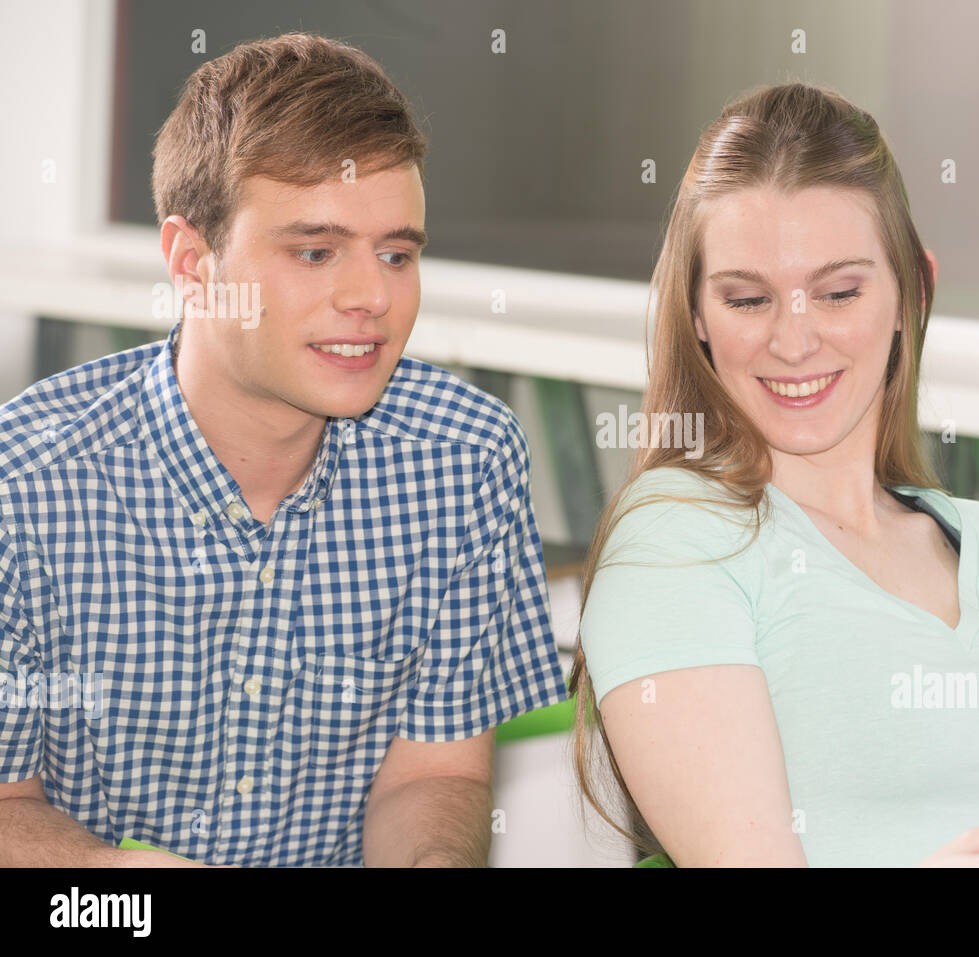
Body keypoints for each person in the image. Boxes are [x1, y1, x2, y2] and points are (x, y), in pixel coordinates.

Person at [0, 33, 567, 867]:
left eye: (397, 254)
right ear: (192, 262)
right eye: (314, 251)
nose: (371, 296)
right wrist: (115, 877)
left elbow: (431, 775)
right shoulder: (27, 481)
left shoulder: (467, 461)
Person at [571, 82, 979, 867]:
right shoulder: (675, 537)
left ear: (913, 291)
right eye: (749, 300)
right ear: (699, 318)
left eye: (840, 291)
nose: (793, 340)